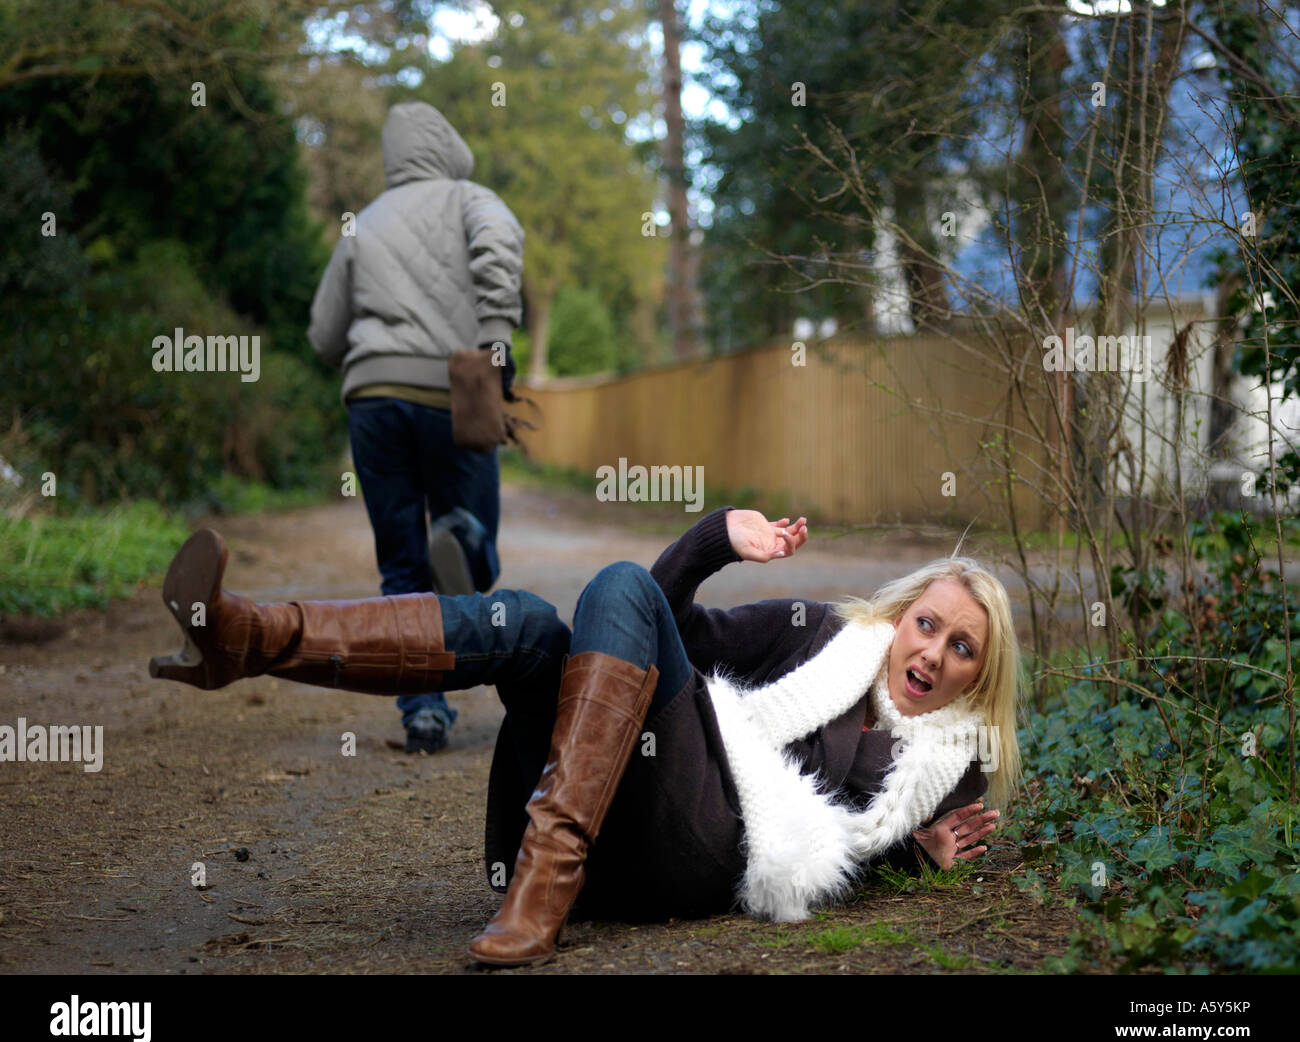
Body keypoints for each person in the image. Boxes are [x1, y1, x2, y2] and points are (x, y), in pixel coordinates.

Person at [149, 505, 1020, 967]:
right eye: (928, 624)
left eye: (961, 647)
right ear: (901, 615)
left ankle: (546, 881)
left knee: (611, 587)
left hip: (701, 847)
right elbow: (677, 625)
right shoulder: (818, 635)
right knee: (526, 624)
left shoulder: (949, 762)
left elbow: (865, 844)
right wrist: (715, 540)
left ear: (980, 674)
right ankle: (250, 637)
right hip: (606, 814)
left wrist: (914, 856)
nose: (933, 652)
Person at [306, 100, 524, 756]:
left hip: (372, 399)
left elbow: (321, 333)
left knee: (401, 566)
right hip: (452, 388)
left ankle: (423, 712)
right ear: (447, 145)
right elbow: (500, 246)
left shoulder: (360, 224)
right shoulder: (469, 197)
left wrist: (372, 349)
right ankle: (460, 533)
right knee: (472, 544)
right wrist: (493, 338)